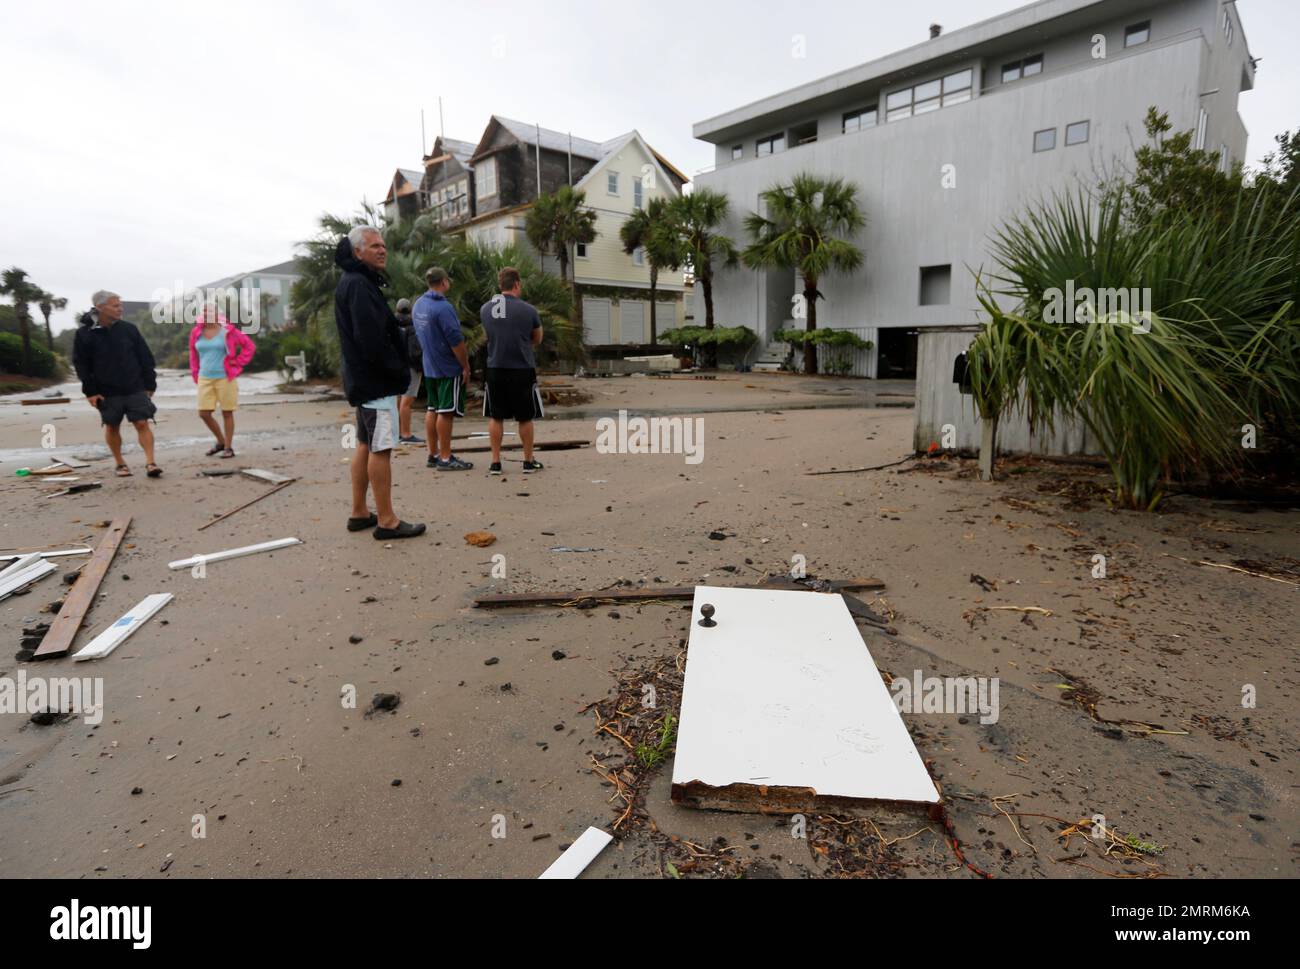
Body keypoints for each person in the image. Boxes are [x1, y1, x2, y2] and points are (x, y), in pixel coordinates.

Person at [333, 226, 426, 540]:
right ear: (358, 251)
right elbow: (370, 339)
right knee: (381, 447)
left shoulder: (356, 281)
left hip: (363, 381)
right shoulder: (358, 284)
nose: (382, 250)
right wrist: (396, 370)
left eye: (384, 245)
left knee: (365, 443)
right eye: (374, 246)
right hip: (376, 383)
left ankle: (359, 512)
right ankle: (387, 520)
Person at [72, 290, 163, 478]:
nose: (120, 309)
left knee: (142, 423)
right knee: (112, 426)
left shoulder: (129, 329)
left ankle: (151, 463)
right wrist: (90, 391)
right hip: (105, 391)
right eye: (115, 306)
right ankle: (120, 464)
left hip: (134, 386)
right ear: (100, 307)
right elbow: (81, 365)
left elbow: (145, 357)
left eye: (120, 305)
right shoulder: (84, 334)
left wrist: (150, 384)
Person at [479, 267, 545, 475]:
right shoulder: (529, 310)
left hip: (495, 367)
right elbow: (538, 338)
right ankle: (528, 460)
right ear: (517, 284)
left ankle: (496, 462)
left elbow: (488, 335)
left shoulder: (485, 309)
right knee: (525, 417)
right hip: (522, 368)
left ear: (501, 285)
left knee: (495, 416)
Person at [412, 266, 473, 471]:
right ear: (444, 282)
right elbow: (456, 340)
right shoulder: (443, 308)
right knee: (445, 412)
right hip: (447, 367)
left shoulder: (419, 304)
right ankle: (446, 458)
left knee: (433, 408)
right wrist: (465, 365)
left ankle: (433, 453)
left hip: (429, 365)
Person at [188, 305, 256, 458]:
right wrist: (195, 373)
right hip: (204, 378)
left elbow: (249, 347)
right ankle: (220, 441)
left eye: (209, 313)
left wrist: (237, 363)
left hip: (225, 377)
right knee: (204, 413)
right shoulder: (196, 332)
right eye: (204, 314)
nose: (206, 317)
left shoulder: (228, 331)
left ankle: (228, 447)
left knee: (227, 412)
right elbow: (193, 353)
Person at [394, 298, 424, 444]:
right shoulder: (413, 327)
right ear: (411, 310)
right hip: (411, 367)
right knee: (407, 400)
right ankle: (406, 434)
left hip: (397, 366)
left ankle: (398, 432)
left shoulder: (393, 325)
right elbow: (415, 351)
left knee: (399, 399)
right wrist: (420, 366)